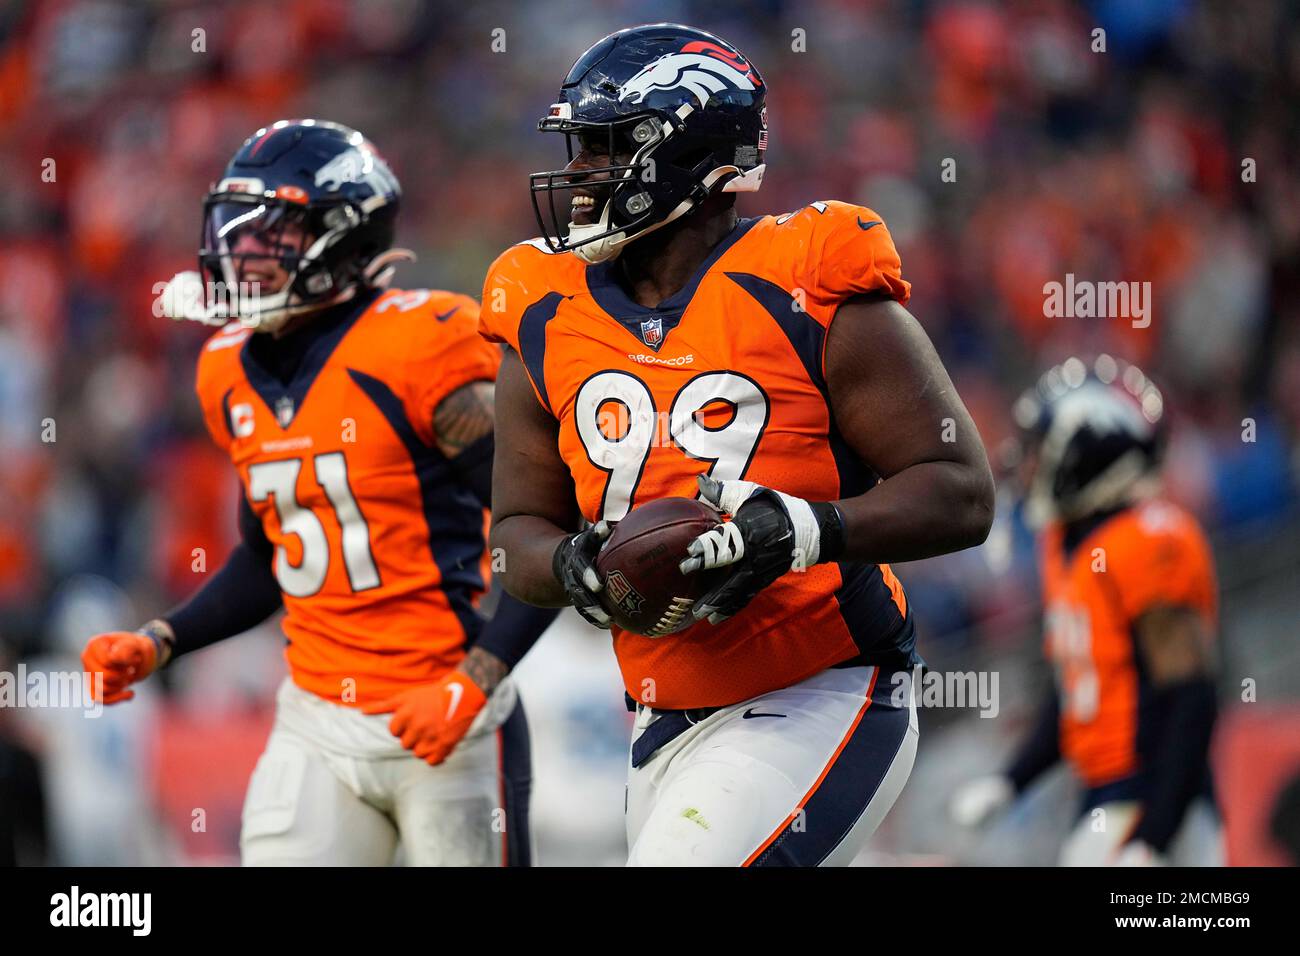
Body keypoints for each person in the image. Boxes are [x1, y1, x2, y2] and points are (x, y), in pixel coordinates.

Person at [482, 24, 994, 866]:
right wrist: (579, 566)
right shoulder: (539, 305)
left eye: (604, 148)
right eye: (577, 148)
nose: (576, 175)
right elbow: (515, 538)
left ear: (687, 154)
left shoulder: (805, 279)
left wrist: (801, 531)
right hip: (658, 720)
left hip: (824, 689)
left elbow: (961, 491)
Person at [81, 120, 555, 866]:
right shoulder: (225, 368)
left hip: (444, 709)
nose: (242, 253)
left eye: (273, 232)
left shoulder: (423, 343)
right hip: (316, 721)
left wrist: (475, 681)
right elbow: (270, 557)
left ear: (343, 236)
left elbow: (544, 536)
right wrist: (161, 640)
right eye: (234, 229)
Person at [951, 355, 1223, 866]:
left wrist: (1154, 837)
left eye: (1039, 449)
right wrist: (1012, 780)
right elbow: (1079, 686)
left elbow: (1192, 698)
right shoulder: (1066, 545)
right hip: (1106, 797)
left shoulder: (1149, 538)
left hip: (1158, 795)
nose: (1026, 464)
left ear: (1083, 452)